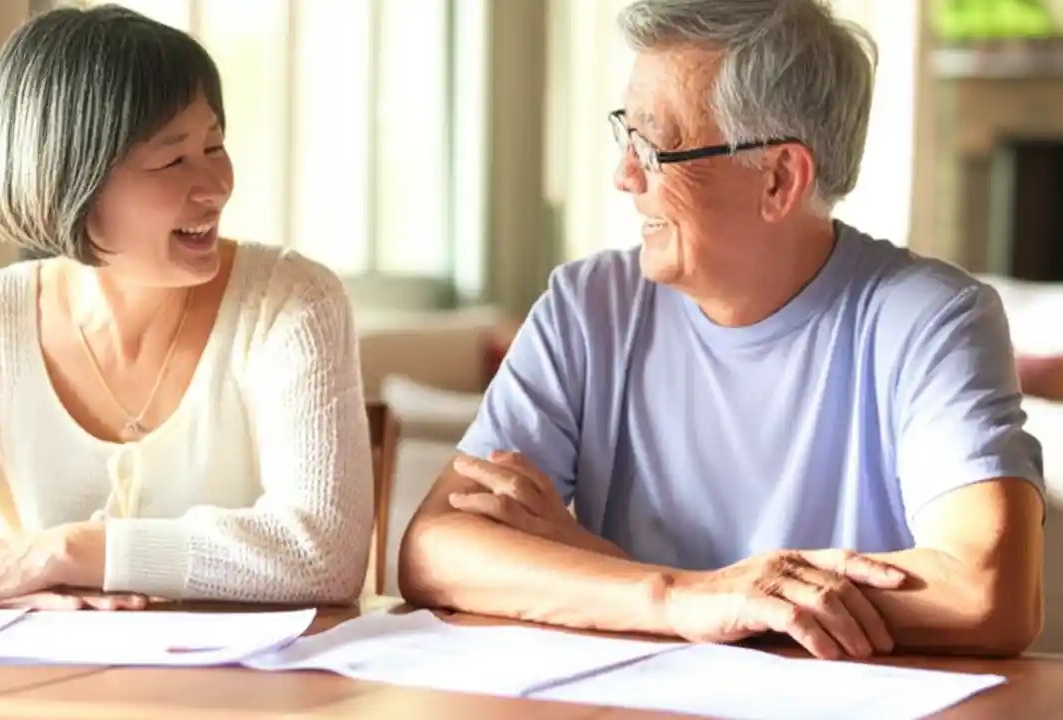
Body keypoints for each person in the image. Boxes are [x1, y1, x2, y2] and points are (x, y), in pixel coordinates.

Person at [400, 0, 1045, 659]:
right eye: (626, 134)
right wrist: (685, 597)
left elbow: (987, 593)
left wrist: (596, 568)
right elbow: (435, 548)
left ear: (779, 178)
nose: (624, 175)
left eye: (654, 145)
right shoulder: (586, 306)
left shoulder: (934, 318)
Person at [0, 5, 372, 610]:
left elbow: (323, 553)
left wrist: (67, 552)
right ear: (72, 181)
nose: (216, 184)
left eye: (215, 144)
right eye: (174, 159)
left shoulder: (292, 301)